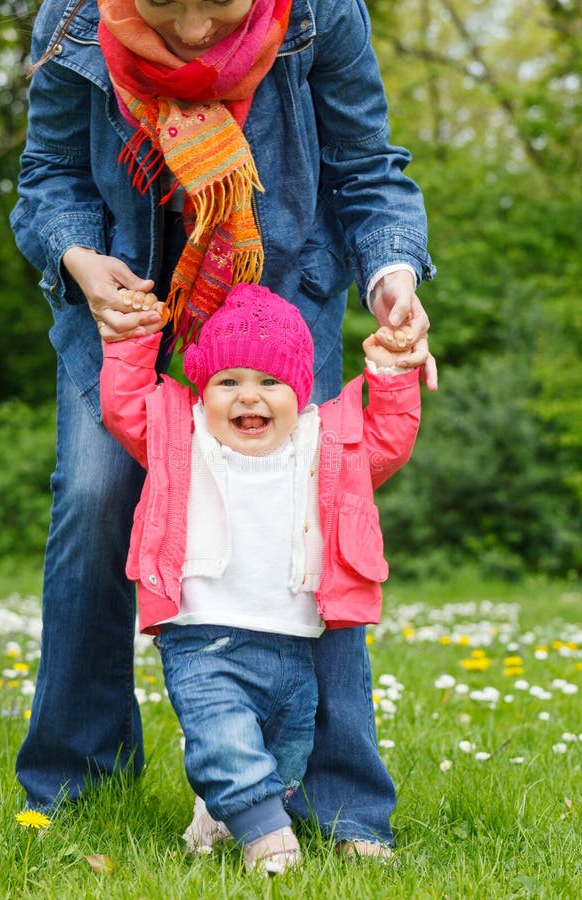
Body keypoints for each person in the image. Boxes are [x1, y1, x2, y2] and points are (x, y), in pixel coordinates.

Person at [10, 0, 436, 854]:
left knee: (314, 523)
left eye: (223, 5)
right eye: (174, 6)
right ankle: (79, 776)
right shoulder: (73, 19)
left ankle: (340, 800)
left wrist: (391, 275)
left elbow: (366, 167)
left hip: (273, 305)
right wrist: (80, 261)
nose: (201, 31)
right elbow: (49, 177)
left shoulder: (319, 13)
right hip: (124, 310)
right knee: (95, 495)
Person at [100, 283, 421, 873]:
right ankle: (266, 838)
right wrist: (130, 343)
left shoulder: (322, 439)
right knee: (223, 739)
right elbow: (124, 405)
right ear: (202, 390)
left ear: (299, 390)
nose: (250, 397)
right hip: (203, 639)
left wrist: (394, 375)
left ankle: (222, 815)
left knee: (282, 755)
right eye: (229, 383)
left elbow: (388, 441)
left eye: (269, 382)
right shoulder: (182, 434)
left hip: (297, 642)